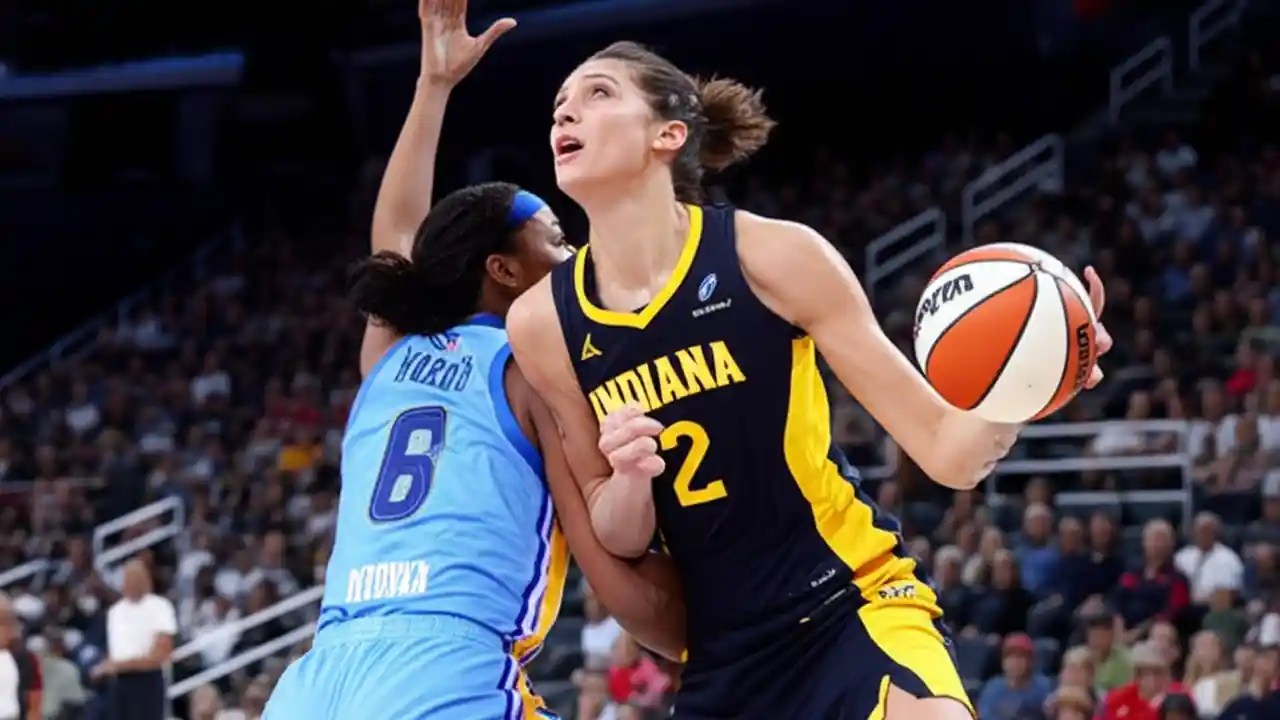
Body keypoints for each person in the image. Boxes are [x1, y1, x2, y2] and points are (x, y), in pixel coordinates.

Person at [507, 41, 1113, 719]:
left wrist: (1032, 379)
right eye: (559, 105)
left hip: (848, 599)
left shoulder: (771, 255)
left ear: (667, 135)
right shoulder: (541, 322)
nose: (566, 113)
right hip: (723, 656)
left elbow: (948, 449)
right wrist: (627, 480)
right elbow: (615, 534)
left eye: (596, 94)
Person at [264, 3, 682, 718]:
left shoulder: (392, 348)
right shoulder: (532, 367)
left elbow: (393, 235)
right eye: (554, 238)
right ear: (504, 269)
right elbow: (610, 563)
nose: (573, 252)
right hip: (442, 667)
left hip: (317, 679)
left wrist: (433, 87)